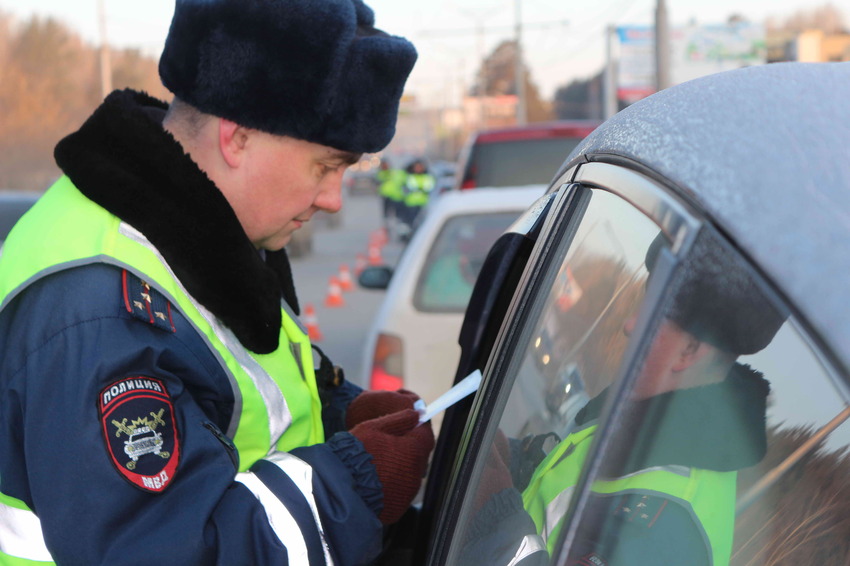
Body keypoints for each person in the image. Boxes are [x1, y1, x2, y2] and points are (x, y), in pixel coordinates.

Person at [0, 1, 435, 564]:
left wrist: (341, 417)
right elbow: (164, 550)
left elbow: (238, 417)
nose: (333, 199)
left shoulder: (200, 239)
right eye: (326, 166)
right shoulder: (100, 310)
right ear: (238, 137)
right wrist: (356, 481)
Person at [461, 233, 786, 566]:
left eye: (651, 309)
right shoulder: (641, 428)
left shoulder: (670, 528)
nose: (629, 325)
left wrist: (492, 517)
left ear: (688, 351)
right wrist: (514, 460)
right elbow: (558, 503)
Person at [397, 159, 436, 237]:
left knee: (422, 223)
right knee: (409, 222)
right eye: (416, 167)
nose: (418, 169)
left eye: (420, 167)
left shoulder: (428, 177)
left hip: (423, 204)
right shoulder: (409, 177)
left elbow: (430, 188)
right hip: (411, 204)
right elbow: (404, 188)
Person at [376, 159, 406, 233]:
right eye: (383, 165)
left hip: (396, 196)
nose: (385, 166)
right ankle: (387, 227)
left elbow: (401, 181)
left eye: (385, 165)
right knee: (386, 213)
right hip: (386, 196)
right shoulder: (380, 174)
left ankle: (399, 227)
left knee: (397, 213)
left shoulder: (394, 173)